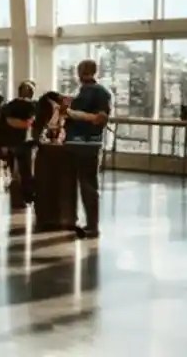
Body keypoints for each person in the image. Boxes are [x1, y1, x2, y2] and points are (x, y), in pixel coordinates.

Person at [63, 59, 111, 239]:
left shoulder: (97, 93)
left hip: (84, 144)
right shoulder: (90, 93)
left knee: (86, 185)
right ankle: (78, 221)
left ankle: (91, 225)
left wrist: (72, 113)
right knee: (81, 184)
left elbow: (100, 118)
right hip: (80, 144)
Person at [0, 80, 37, 205]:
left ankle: (16, 197)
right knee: (25, 172)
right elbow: (31, 124)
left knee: (13, 171)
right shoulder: (32, 107)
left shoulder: (8, 106)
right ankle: (26, 197)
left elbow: (2, 127)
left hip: (10, 143)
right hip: (25, 144)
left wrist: (2, 144)